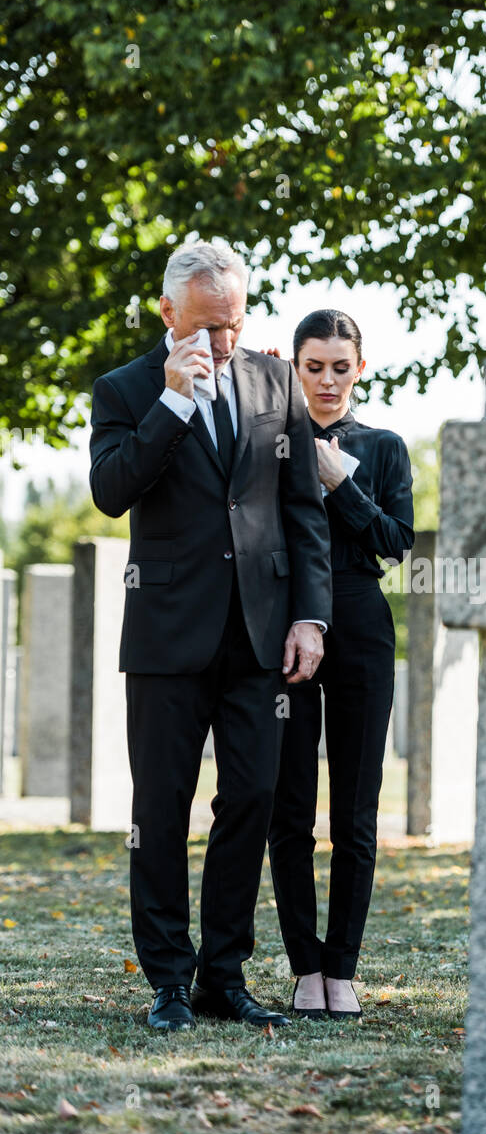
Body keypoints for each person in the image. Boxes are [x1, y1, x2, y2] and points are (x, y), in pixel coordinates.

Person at [89, 240, 332, 1031]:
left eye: (232, 325)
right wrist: (173, 404)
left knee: (254, 797)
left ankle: (223, 976)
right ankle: (167, 979)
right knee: (161, 807)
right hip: (166, 633)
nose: (222, 344)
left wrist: (309, 613)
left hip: (259, 633)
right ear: (167, 314)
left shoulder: (273, 381)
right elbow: (111, 491)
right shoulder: (124, 388)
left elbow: (300, 508)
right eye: (205, 327)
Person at [265, 310, 414, 1020]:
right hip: (284, 628)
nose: (327, 380)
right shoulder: (271, 440)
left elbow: (394, 541)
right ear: (294, 367)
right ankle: (303, 966)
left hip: (360, 627)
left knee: (354, 810)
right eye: (312, 366)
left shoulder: (383, 447)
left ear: (360, 367)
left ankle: (342, 968)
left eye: (340, 366)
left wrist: (339, 483)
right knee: (288, 807)